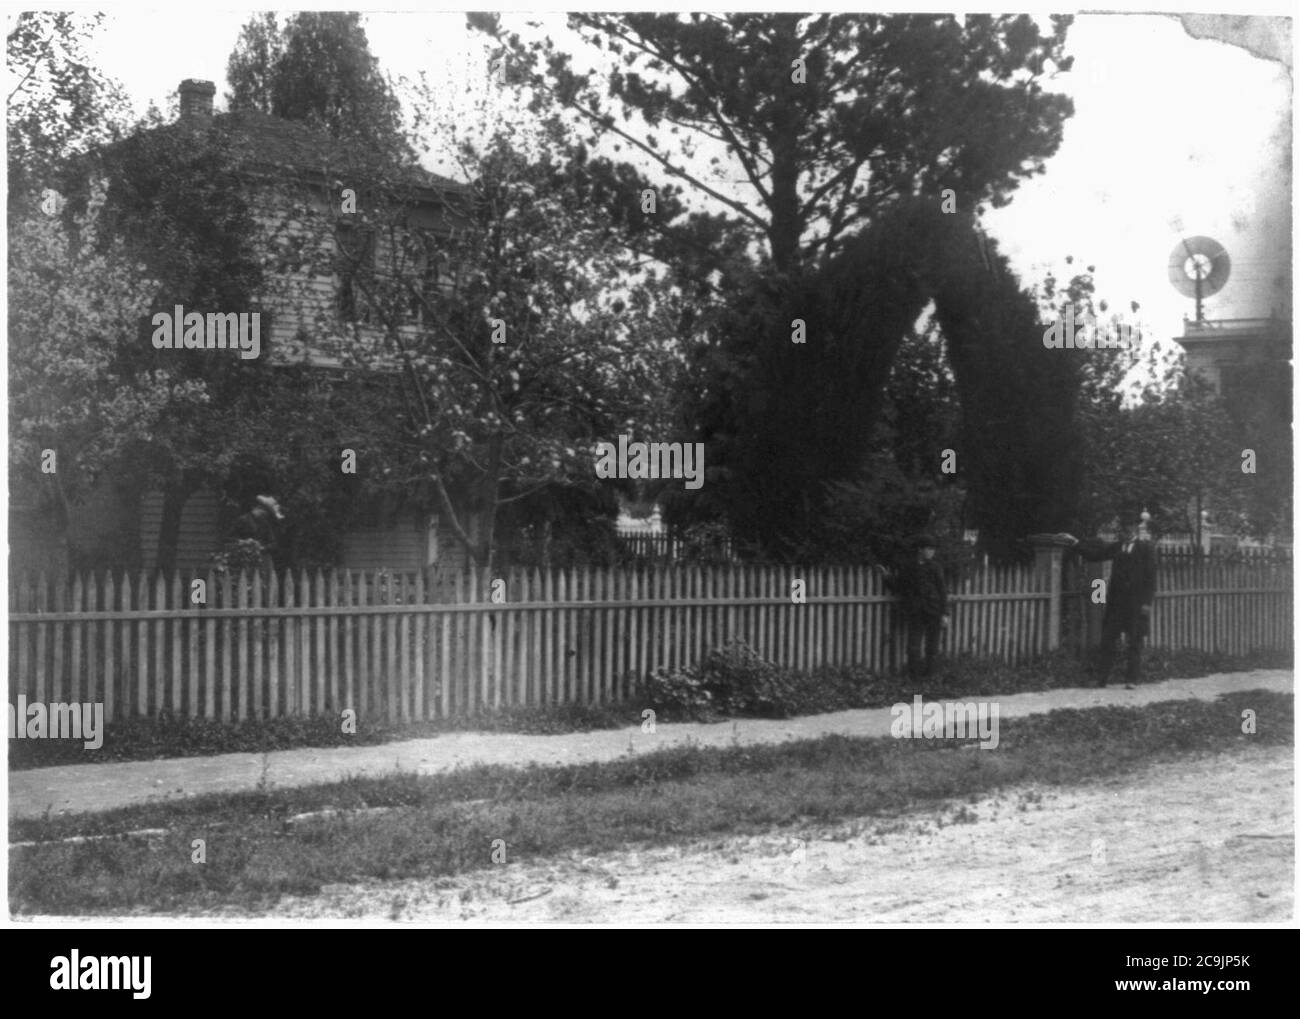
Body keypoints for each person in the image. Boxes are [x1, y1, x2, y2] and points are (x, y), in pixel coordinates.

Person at [1063, 509, 1157, 686]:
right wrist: (1075, 543)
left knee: (1134, 642)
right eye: (1124, 528)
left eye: (1130, 527)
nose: (1127, 530)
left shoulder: (1146, 549)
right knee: (1107, 640)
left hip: (1136, 604)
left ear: (1136, 529)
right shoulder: (1117, 547)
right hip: (1116, 604)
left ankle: (1131, 679)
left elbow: (1150, 579)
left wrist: (1146, 603)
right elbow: (1095, 555)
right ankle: (1101, 679)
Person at [891, 532, 949, 682]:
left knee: (932, 647)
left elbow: (943, 591)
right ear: (920, 550)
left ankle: (929, 677)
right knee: (913, 647)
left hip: (934, 611)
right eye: (929, 549)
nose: (932, 552)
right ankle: (914, 679)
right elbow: (899, 586)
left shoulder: (936, 568)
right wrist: (886, 578)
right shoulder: (909, 567)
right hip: (916, 612)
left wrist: (945, 614)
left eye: (933, 549)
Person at [233, 494, 285, 573]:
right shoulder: (242, 521)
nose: (265, 514)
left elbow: (273, 543)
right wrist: (244, 543)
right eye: (263, 511)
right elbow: (231, 538)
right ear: (257, 508)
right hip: (246, 559)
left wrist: (262, 548)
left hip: (263, 559)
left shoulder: (264, 524)